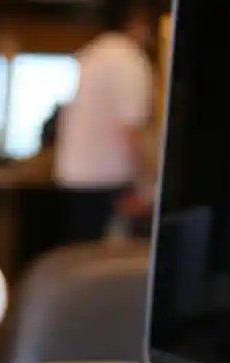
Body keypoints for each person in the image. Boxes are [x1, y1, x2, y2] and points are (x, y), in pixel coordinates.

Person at [56, 0, 156, 241]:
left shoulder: (92, 54)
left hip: (76, 176)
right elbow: (131, 127)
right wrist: (147, 183)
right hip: (109, 179)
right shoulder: (128, 58)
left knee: (82, 256)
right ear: (137, 20)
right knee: (106, 265)